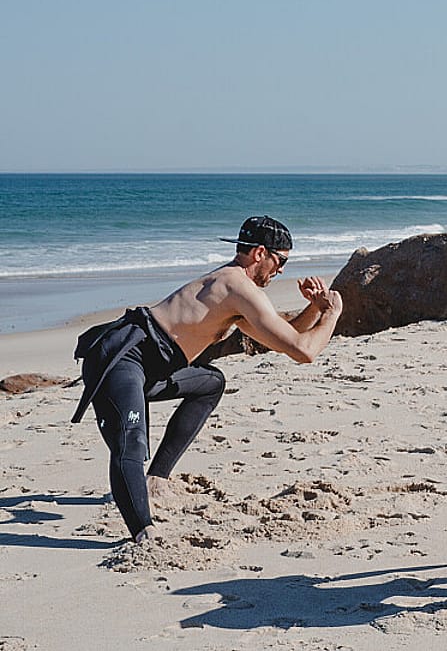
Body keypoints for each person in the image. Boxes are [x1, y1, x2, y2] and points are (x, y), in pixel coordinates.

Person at [71, 216, 343, 542]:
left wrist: (314, 309)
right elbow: (305, 351)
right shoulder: (236, 286)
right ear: (260, 253)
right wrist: (333, 313)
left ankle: (156, 479)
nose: (281, 270)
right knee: (129, 443)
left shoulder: (235, 288)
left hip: (153, 367)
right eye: (280, 260)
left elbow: (287, 339)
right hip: (123, 358)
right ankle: (144, 533)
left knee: (210, 383)